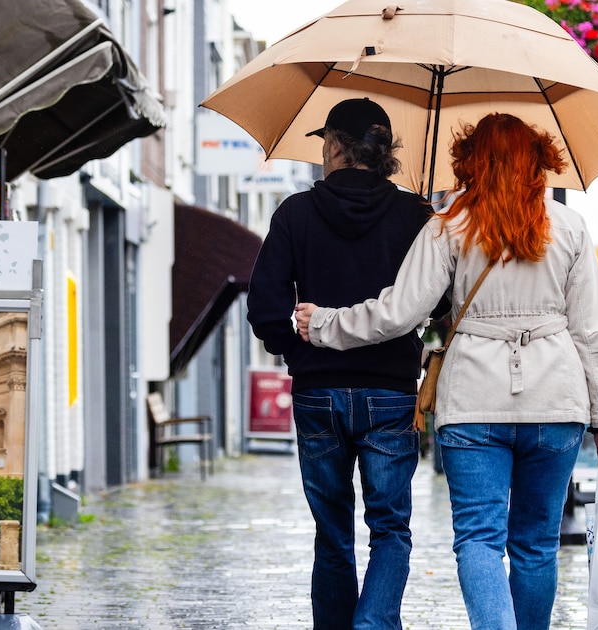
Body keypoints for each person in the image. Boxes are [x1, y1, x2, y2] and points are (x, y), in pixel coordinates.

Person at [295, 113, 598, 630]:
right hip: (556, 403)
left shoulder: (449, 227)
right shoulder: (570, 227)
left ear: (471, 160)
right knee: (536, 543)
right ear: (536, 159)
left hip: (473, 403)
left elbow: (397, 313)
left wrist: (325, 325)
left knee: (478, 539)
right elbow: (593, 332)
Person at [245, 97, 437, 629]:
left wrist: (297, 348)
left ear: (332, 148)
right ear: (384, 154)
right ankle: (373, 624)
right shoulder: (417, 217)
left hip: (318, 393)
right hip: (391, 393)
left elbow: (263, 303)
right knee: (390, 528)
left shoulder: (295, 214)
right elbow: (439, 300)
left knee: (332, 531)